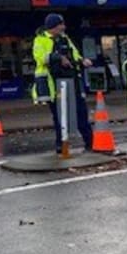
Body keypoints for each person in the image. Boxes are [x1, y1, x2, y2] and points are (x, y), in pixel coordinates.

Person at [32, 13, 94, 152]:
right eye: (61, 25)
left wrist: (82, 60)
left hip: (71, 81)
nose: (63, 27)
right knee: (59, 116)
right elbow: (40, 57)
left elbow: (75, 54)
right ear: (53, 27)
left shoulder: (64, 38)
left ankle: (90, 142)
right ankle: (61, 144)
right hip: (54, 83)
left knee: (80, 112)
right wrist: (58, 57)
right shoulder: (40, 40)